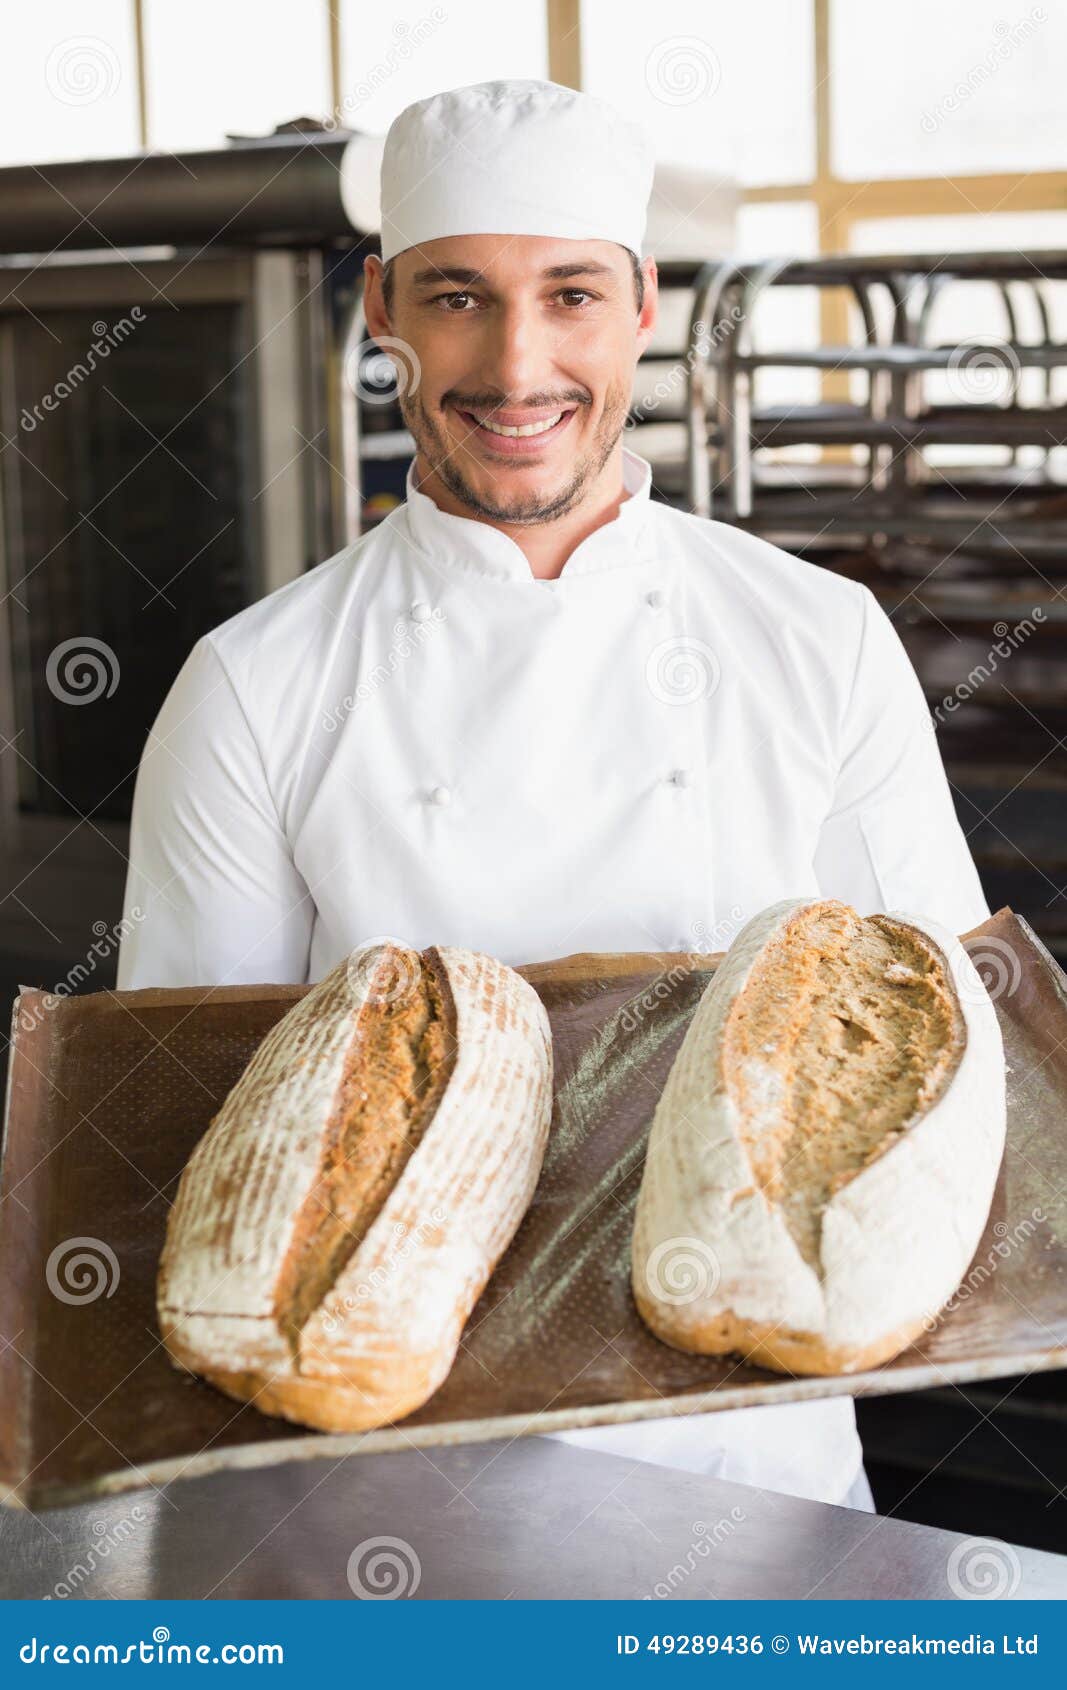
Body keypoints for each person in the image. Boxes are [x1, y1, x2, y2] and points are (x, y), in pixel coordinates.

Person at [116, 79, 989, 1515]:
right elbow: (184, 1145)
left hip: (753, 1469)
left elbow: (957, 1074)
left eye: (570, 295)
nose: (517, 365)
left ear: (643, 302)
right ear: (386, 307)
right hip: (367, 1489)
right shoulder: (252, 686)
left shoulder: (817, 639)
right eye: (460, 297)